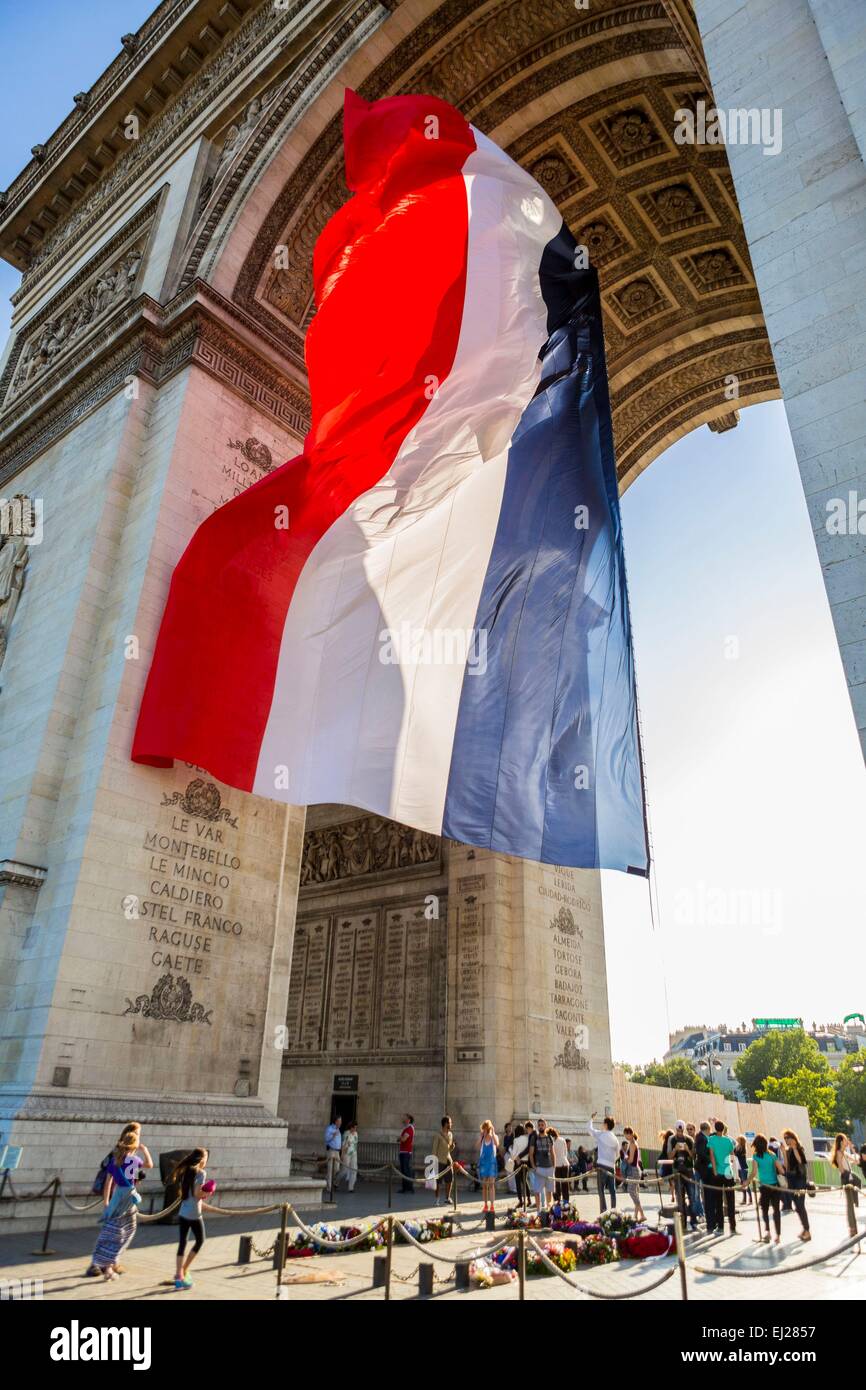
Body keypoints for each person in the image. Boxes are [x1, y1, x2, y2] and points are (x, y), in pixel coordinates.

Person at [90, 1127, 153, 1280]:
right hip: (128, 1198)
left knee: (112, 1230)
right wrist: (145, 1150)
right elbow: (149, 1164)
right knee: (128, 1230)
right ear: (134, 1145)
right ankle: (109, 1265)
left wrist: (106, 1202)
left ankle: (104, 1264)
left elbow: (108, 1183)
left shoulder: (115, 1160)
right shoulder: (135, 1160)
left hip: (117, 1197)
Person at [171, 1148, 209, 1289]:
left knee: (182, 1243)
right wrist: (206, 1193)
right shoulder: (201, 1173)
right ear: (202, 1159)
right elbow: (197, 1193)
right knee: (200, 1240)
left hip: (183, 1212)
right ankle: (184, 1269)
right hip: (194, 1213)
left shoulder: (185, 1170)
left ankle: (178, 1276)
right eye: (206, 1157)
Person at [749, 1134, 783, 1244]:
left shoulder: (755, 1156)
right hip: (774, 1186)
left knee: (764, 1210)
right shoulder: (772, 1155)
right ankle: (778, 1236)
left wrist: (747, 1181)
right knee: (776, 1210)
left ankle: (767, 1232)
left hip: (764, 1187)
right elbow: (781, 1170)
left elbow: (754, 1172)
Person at [707, 1120, 737, 1235]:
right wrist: (735, 1173)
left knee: (718, 1201)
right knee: (731, 1201)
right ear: (723, 1128)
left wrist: (714, 1171)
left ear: (715, 1128)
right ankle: (733, 1227)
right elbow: (733, 1158)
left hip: (718, 1174)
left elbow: (712, 1156)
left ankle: (720, 1227)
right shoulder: (728, 1140)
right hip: (728, 1172)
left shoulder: (712, 1140)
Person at [782, 1129, 811, 1242]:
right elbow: (787, 1166)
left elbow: (801, 1161)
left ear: (793, 1137)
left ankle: (807, 1230)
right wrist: (784, 1153)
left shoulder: (799, 1148)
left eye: (787, 1137)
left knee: (800, 1205)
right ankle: (805, 1229)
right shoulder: (788, 1150)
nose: (786, 1140)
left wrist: (794, 1148)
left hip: (799, 1179)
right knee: (797, 1206)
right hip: (791, 1179)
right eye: (784, 1138)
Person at [589, 1113, 620, 1212]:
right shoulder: (615, 1139)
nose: (602, 1125)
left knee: (601, 1190)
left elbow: (590, 1130)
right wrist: (612, 1160)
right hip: (611, 1166)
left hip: (602, 1165)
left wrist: (591, 1119)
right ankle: (613, 1211)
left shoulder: (601, 1134)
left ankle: (603, 1211)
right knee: (612, 1190)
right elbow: (618, 1154)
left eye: (603, 1123)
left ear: (606, 1125)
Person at [669, 1122, 696, 1231]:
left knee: (692, 1197)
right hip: (677, 1171)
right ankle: (683, 1223)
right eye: (678, 1130)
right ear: (676, 1129)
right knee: (680, 1198)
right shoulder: (672, 1140)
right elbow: (670, 1156)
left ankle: (693, 1221)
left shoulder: (689, 1140)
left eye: (681, 1130)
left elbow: (693, 1156)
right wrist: (675, 1149)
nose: (680, 1132)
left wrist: (687, 1149)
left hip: (688, 1170)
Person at [528, 1118, 556, 1212]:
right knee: (537, 1191)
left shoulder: (550, 1138)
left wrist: (554, 1167)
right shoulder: (534, 1138)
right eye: (539, 1125)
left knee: (549, 1191)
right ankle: (539, 1211)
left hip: (549, 1168)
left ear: (545, 1126)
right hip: (539, 1168)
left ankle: (549, 1210)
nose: (541, 1126)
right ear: (537, 1126)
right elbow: (531, 1153)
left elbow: (552, 1153)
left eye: (542, 1125)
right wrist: (534, 1166)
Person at [622, 1126, 646, 1222]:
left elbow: (631, 1160)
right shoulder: (634, 1143)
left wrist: (625, 1158)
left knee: (632, 1191)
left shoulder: (632, 1144)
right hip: (636, 1169)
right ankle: (636, 1215)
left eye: (625, 1135)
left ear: (629, 1134)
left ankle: (642, 1214)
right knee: (635, 1192)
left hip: (633, 1170)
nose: (625, 1137)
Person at [694, 1121, 714, 1230]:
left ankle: (703, 1213)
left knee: (701, 1192)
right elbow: (701, 1153)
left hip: (701, 1168)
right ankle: (701, 1214)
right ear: (707, 1129)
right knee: (699, 1193)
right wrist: (710, 1159)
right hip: (702, 1169)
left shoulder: (701, 1137)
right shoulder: (702, 1138)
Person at [432, 1115, 454, 1205]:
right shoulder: (437, 1135)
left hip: (448, 1160)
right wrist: (433, 1162)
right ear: (445, 1124)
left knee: (450, 1179)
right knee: (438, 1181)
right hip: (439, 1160)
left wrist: (452, 1147)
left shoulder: (450, 1134)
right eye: (449, 1122)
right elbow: (434, 1149)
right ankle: (437, 1199)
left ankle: (447, 1198)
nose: (451, 1124)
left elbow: (449, 1149)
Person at [478, 1120, 499, 1212]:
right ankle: (485, 1205)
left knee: (491, 1185)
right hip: (483, 1163)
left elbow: (497, 1144)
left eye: (486, 1129)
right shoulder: (482, 1139)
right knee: (484, 1185)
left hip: (491, 1164)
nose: (484, 1131)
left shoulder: (493, 1137)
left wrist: (493, 1133)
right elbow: (477, 1146)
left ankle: (492, 1205)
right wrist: (481, 1136)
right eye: (483, 1129)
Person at [512, 1122, 532, 1209]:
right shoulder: (527, 1138)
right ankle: (529, 1199)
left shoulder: (516, 1140)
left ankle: (520, 1201)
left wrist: (515, 1158)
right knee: (524, 1181)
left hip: (518, 1162)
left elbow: (513, 1154)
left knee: (518, 1182)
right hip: (526, 1162)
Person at [324, 1115, 342, 1194]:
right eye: (339, 1121)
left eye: (341, 1121)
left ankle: (328, 1178)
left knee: (337, 1169)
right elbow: (326, 1138)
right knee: (330, 1168)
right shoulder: (330, 1128)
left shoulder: (338, 1129)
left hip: (337, 1151)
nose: (340, 1123)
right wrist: (332, 1135)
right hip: (331, 1151)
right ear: (336, 1121)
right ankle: (329, 1187)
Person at [552, 1127, 570, 1204]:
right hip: (565, 1163)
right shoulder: (562, 1139)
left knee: (556, 1184)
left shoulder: (552, 1142)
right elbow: (566, 1152)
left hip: (557, 1164)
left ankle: (557, 1201)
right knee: (565, 1184)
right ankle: (566, 1201)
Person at [398, 1114, 415, 1193]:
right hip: (404, 1152)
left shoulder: (409, 1128)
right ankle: (405, 1187)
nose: (403, 1119)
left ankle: (409, 1187)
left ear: (408, 1119)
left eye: (405, 1118)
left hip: (406, 1152)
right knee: (404, 1170)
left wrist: (399, 1138)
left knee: (406, 1170)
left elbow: (404, 1139)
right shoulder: (407, 1128)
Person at [340, 1122, 359, 1192]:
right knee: (344, 1170)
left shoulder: (356, 1134)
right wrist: (342, 1154)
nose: (355, 1129)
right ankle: (336, 1181)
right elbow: (343, 1145)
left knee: (354, 1170)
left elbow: (355, 1144)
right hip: (347, 1153)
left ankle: (351, 1187)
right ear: (351, 1127)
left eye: (356, 1128)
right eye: (354, 1127)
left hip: (354, 1153)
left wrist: (356, 1152)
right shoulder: (346, 1134)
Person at [734, 1135, 752, 1204]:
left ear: (741, 1140)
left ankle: (750, 1199)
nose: (737, 1140)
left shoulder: (743, 1148)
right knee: (742, 1184)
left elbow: (737, 1154)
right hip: (739, 1168)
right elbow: (733, 1152)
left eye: (738, 1139)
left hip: (743, 1168)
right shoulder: (737, 1147)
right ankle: (744, 1200)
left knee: (745, 1183)